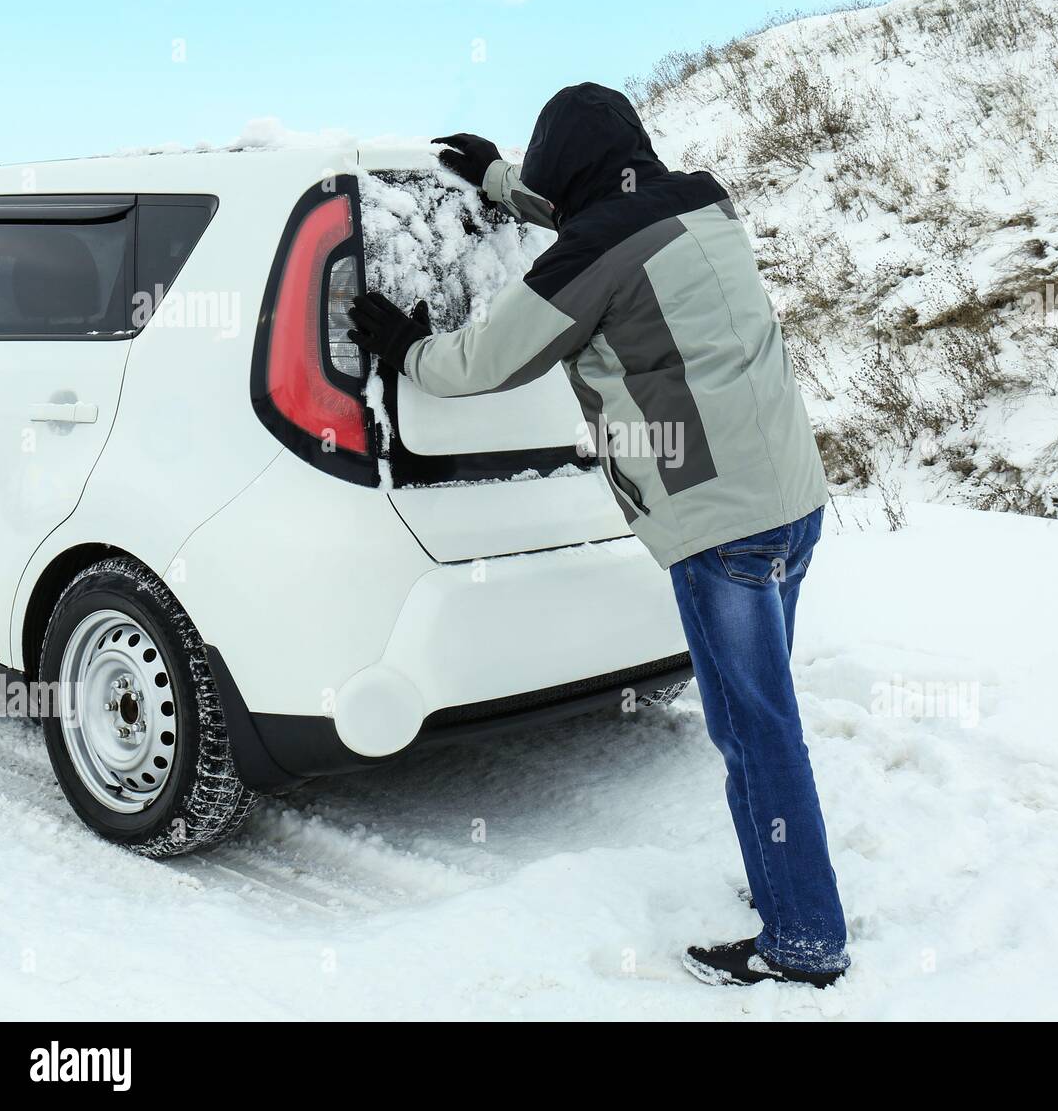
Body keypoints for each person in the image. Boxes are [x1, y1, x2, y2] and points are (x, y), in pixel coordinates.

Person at [348, 83, 848, 988]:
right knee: (759, 724)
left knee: (756, 731)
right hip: (793, 500)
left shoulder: (594, 251)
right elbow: (601, 210)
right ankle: (787, 888)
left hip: (719, 523)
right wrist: (503, 181)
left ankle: (805, 936)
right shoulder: (703, 200)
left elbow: (490, 357)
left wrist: (406, 350)